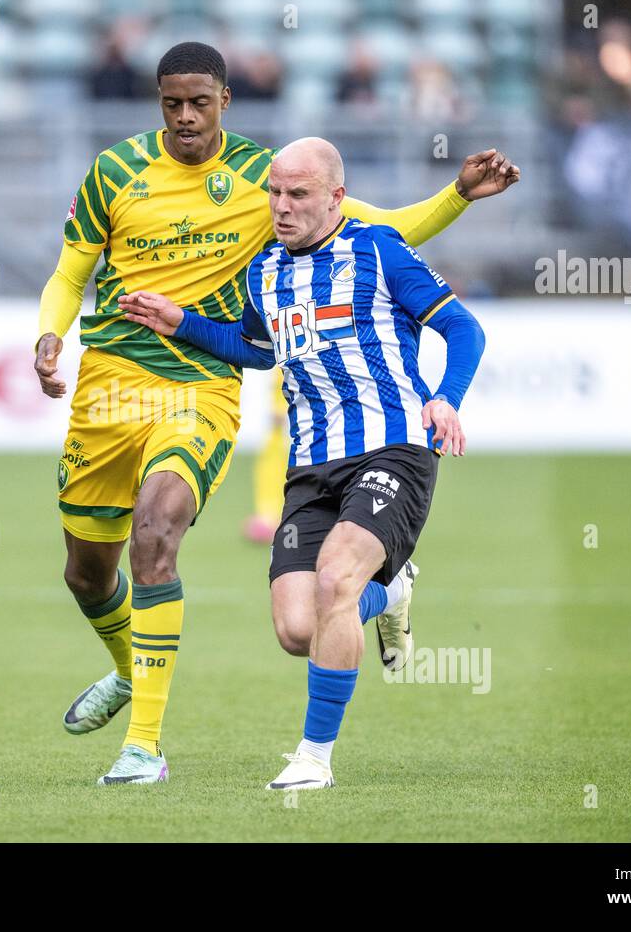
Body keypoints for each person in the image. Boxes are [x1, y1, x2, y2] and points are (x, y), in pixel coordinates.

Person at [35, 42, 518, 786]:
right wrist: (102, 327)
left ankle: (215, 752)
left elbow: (407, 254)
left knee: (176, 540)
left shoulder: (319, 211)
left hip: (283, 418)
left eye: (200, 101)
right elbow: (229, 338)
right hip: (156, 406)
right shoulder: (155, 198)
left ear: (226, 100)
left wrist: (456, 196)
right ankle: (380, 592)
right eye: (172, 102)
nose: (186, 115)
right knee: (116, 583)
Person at [120, 138, 487, 788]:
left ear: (336, 198)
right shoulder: (263, 270)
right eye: (275, 193)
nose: (281, 207)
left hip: (393, 445)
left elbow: (464, 328)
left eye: (298, 195)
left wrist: (446, 401)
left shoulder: (378, 249)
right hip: (311, 466)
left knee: (335, 583)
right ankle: (394, 589)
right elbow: (256, 350)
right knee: (297, 630)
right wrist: (181, 323)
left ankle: (313, 758)